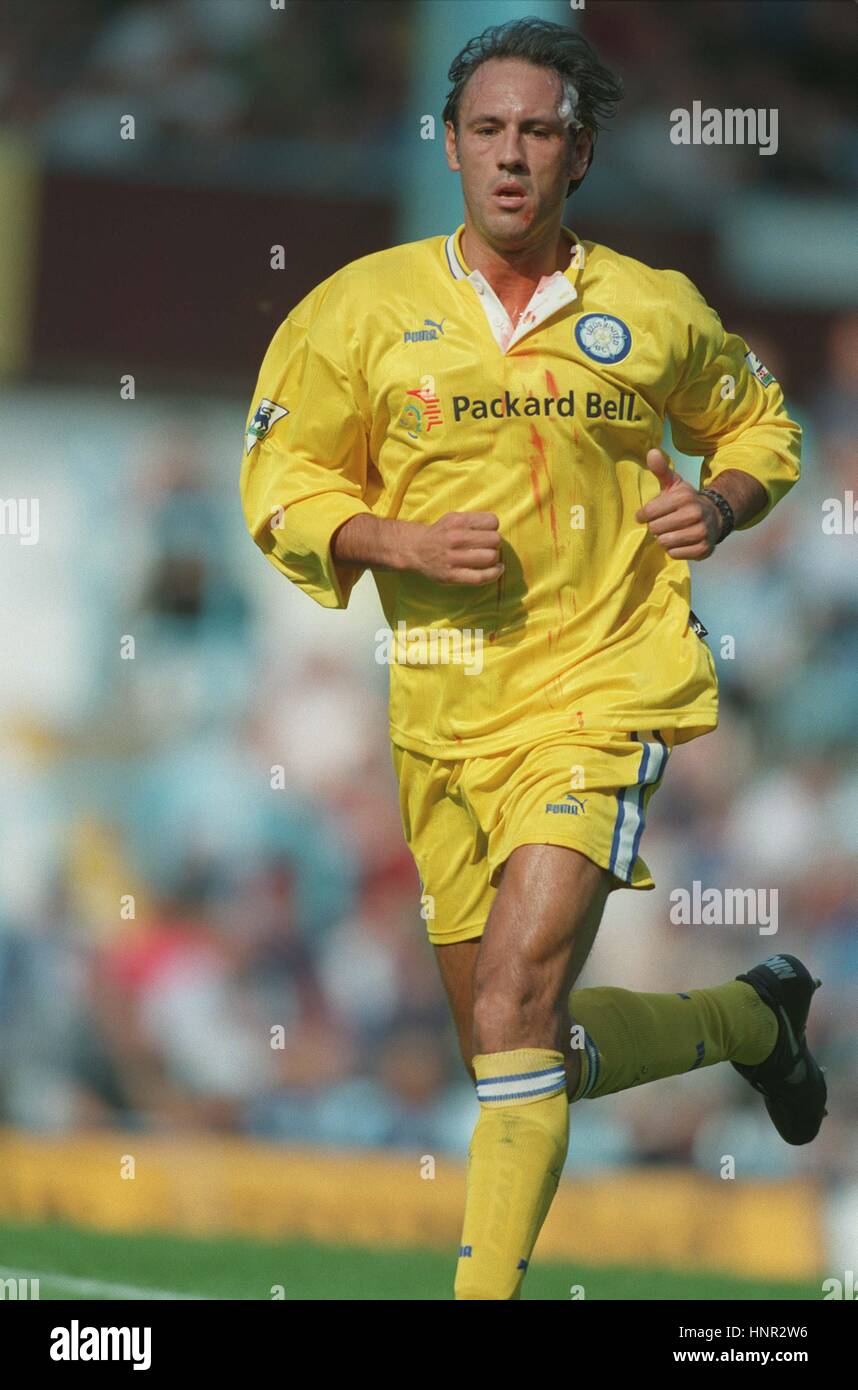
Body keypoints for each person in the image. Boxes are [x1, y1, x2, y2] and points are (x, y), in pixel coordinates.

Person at [240, 17, 826, 1301]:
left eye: (540, 133)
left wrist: (721, 502)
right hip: (442, 705)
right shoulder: (361, 309)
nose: (512, 157)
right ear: (449, 147)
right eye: (489, 131)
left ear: (582, 153)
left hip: (605, 687)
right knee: (517, 1046)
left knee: (512, 1006)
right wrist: (388, 531)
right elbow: (278, 484)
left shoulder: (653, 310)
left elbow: (762, 424)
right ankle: (748, 1018)